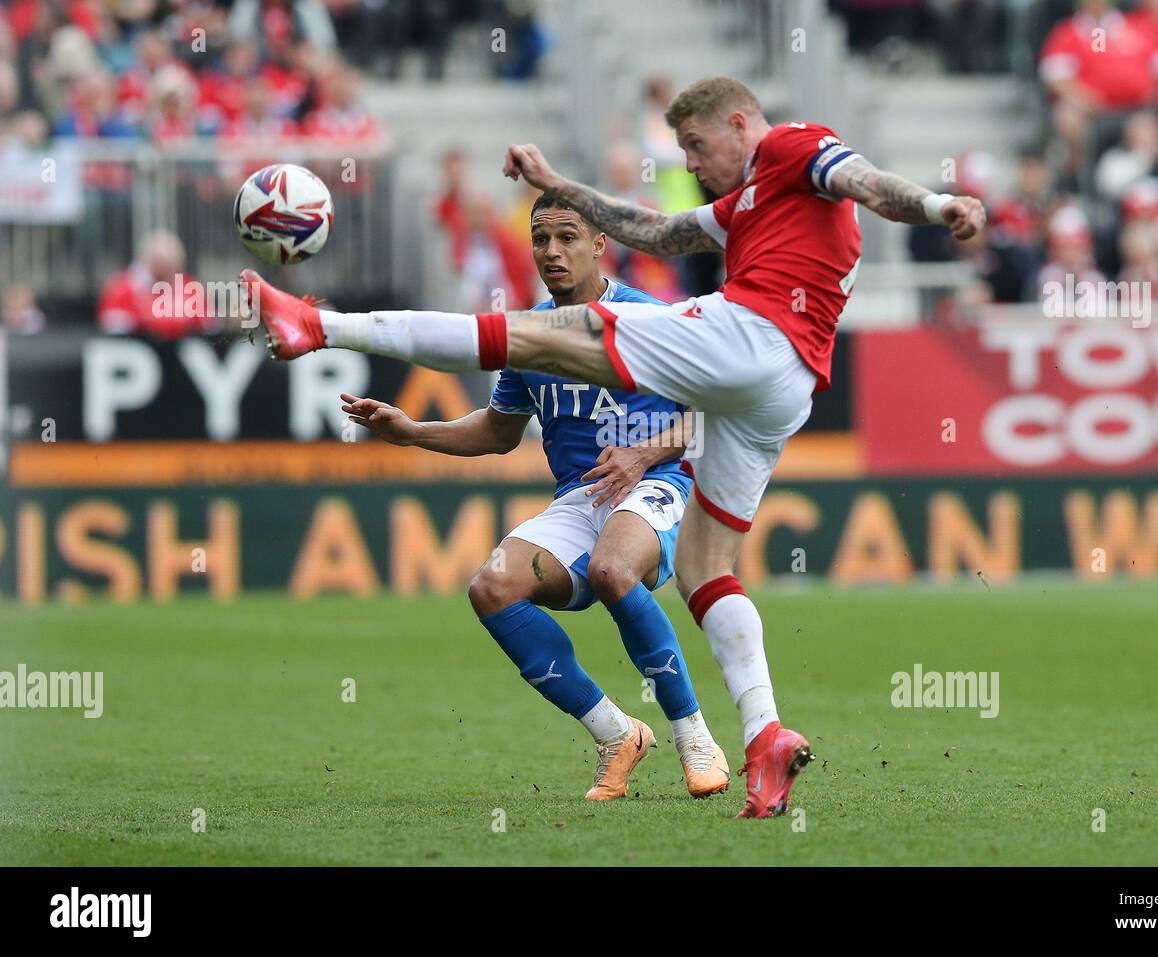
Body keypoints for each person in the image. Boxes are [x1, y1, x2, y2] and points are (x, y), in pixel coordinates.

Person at [243, 74, 986, 818]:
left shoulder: (790, 147)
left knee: (546, 337)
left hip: (753, 339)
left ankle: (322, 325)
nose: (691, 162)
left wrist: (933, 205)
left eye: (696, 145)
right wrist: (558, 182)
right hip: (782, 388)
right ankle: (763, 735)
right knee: (704, 569)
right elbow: (657, 232)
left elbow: (863, 181)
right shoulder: (747, 207)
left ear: (738, 123)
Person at [337, 192, 729, 801]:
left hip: (659, 484)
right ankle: (616, 733)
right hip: (581, 498)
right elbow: (498, 431)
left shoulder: (653, 320)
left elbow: (714, 414)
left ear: (601, 242)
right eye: (541, 238)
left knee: (612, 569)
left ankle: (694, 735)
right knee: (491, 588)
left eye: (567, 237)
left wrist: (643, 453)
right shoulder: (528, 338)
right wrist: (412, 431)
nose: (552, 251)